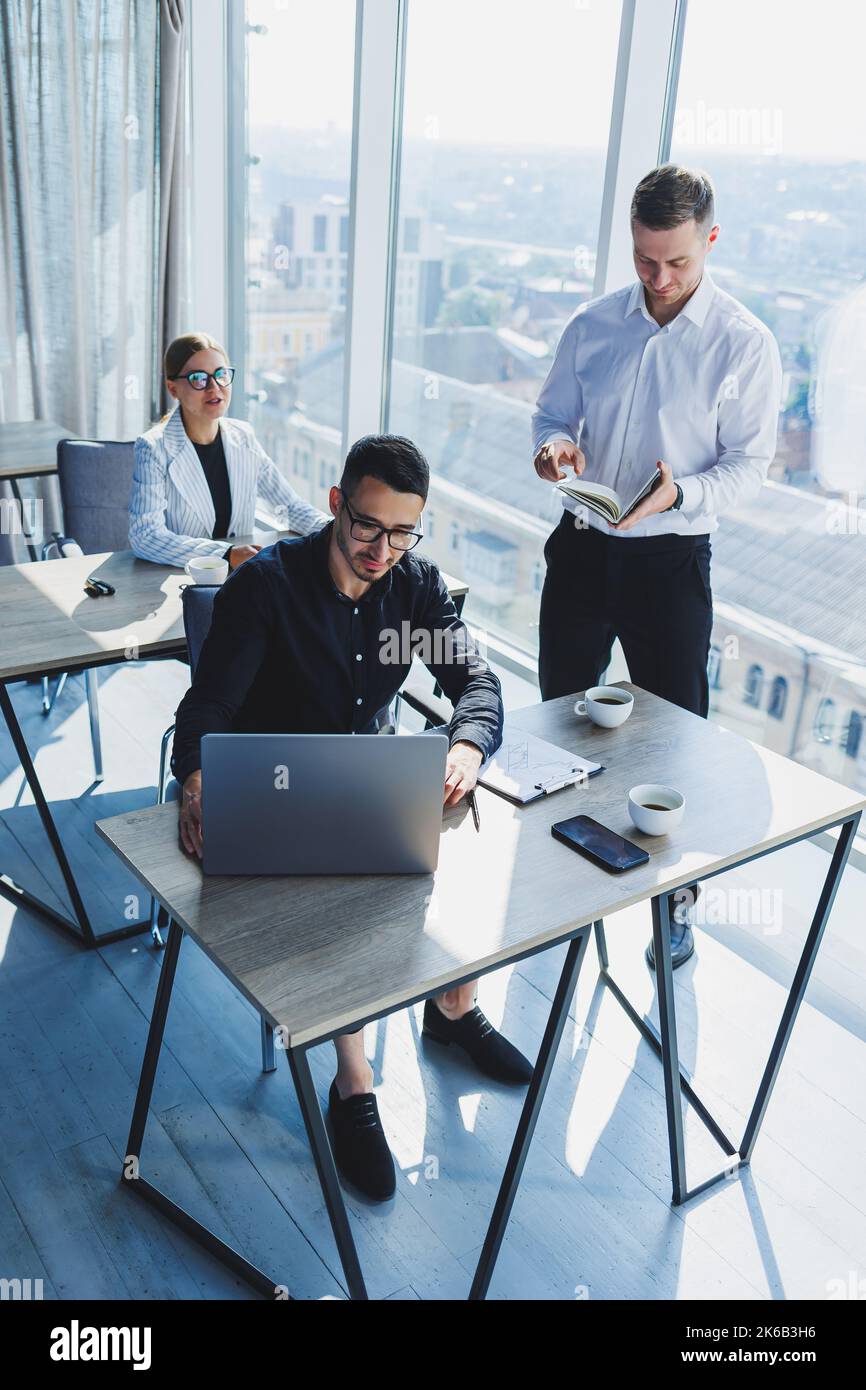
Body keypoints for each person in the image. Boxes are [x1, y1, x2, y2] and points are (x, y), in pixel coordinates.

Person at [170, 434, 533, 1201]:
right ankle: (354, 1082)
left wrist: (465, 749)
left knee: (478, 845)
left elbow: (476, 682)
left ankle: (453, 1007)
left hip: (373, 780)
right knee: (347, 899)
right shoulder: (268, 587)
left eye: (404, 532)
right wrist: (198, 778)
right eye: (369, 526)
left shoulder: (415, 587)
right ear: (336, 504)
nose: (383, 548)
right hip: (278, 790)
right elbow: (209, 706)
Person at [532, 164, 783, 970]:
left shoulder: (745, 344)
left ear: (710, 240)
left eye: (677, 262)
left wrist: (681, 495)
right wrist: (554, 445)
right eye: (645, 260)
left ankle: (672, 901)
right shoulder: (593, 323)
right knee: (559, 718)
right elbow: (549, 412)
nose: (660, 278)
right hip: (580, 550)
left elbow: (749, 468)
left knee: (673, 738)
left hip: (670, 563)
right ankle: (562, 874)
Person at [129, 331, 327, 569]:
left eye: (221, 375)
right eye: (198, 378)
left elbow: (289, 507)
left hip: (240, 580)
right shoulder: (153, 448)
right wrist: (226, 554)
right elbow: (145, 537)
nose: (215, 387)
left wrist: (339, 532)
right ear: (173, 388)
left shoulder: (244, 436)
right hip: (179, 579)